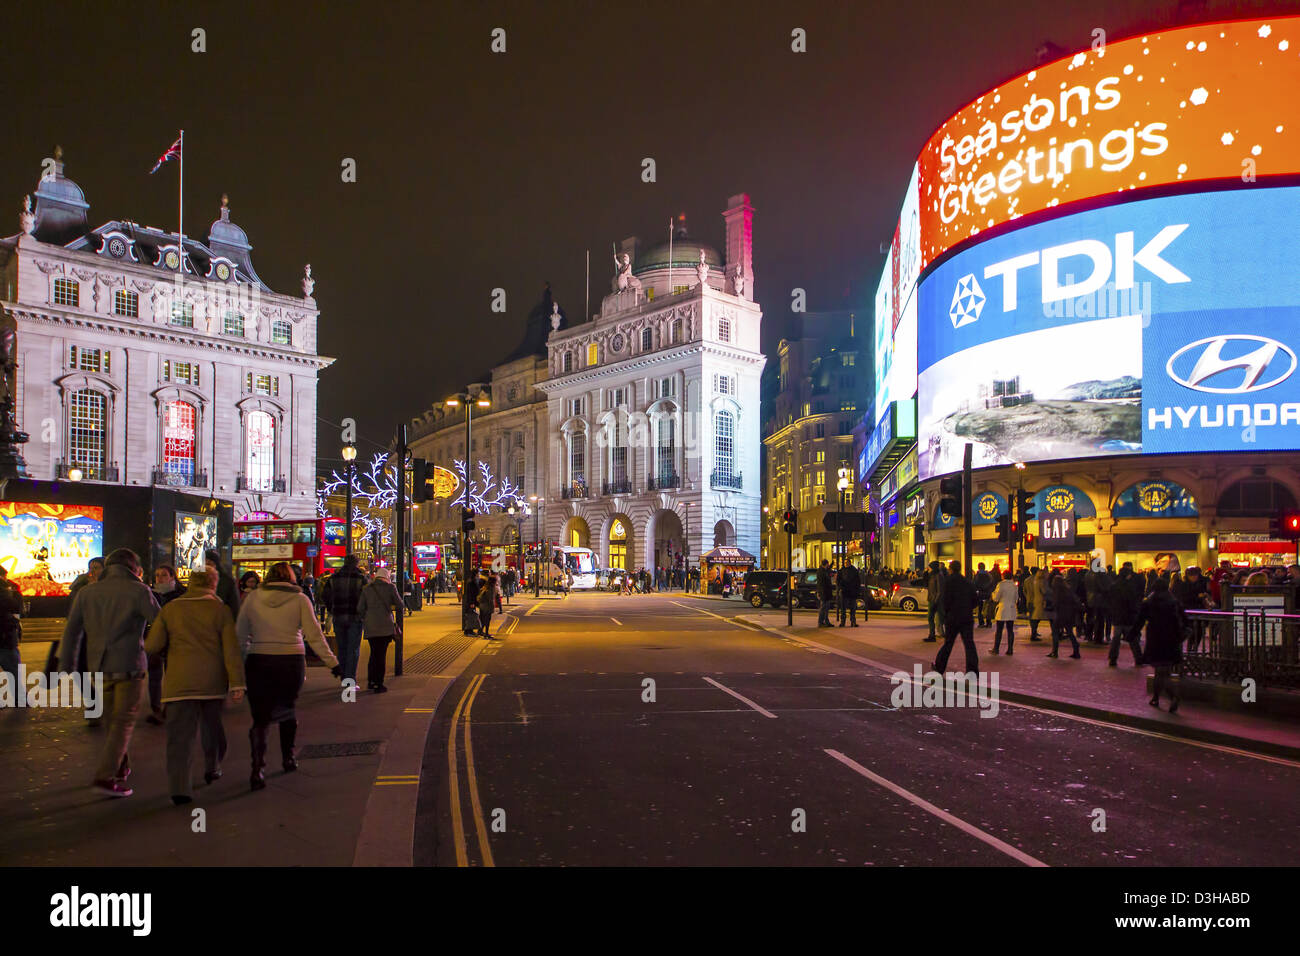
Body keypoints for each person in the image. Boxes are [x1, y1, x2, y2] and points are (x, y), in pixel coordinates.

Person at [58, 548, 161, 798]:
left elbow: (72, 631)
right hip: (130, 665)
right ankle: (104, 777)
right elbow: (160, 621)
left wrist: (67, 666)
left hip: (99, 667)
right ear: (133, 568)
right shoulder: (139, 591)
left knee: (110, 719)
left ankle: (120, 765)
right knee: (123, 721)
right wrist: (154, 649)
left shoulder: (87, 592)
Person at [143, 569, 244, 805]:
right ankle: (213, 765)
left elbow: (153, 645)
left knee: (179, 737)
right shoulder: (220, 610)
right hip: (212, 682)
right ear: (214, 583)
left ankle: (180, 787)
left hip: (179, 681)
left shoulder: (171, 609)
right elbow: (231, 649)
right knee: (213, 728)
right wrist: (237, 682)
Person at [236, 561, 339, 790]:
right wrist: (333, 663)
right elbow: (314, 636)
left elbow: (240, 636)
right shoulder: (300, 599)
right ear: (292, 577)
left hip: (259, 660)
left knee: (260, 718)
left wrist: (237, 669)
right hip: (290, 660)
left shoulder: (252, 598)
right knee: (288, 709)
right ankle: (288, 757)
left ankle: (257, 769)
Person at [1128, 575, 1185, 712]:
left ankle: (1171, 696)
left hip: (1156, 638)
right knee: (1165, 670)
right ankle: (1156, 697)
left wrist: (1131, 635)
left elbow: (1140, 620)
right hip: (1172, 638)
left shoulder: (1149, 602)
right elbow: (1184, 619)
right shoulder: (1174, 601)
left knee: (1161, 671)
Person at [45, 556, 104, 675]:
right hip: (84, 632)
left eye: (96, 568)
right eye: (90, 568)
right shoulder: (81, 589)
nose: (92, 571)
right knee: (81, 671)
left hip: (97, 635)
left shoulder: (106, 588)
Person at [146, 564, 186, 726]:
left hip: (175, 640)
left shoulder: (181, 595)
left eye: (163, 575)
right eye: (157, 575)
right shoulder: (151, 594)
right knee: (154, 675)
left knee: (172, 676)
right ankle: (156, 709)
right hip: (156, 639)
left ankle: (168, 709)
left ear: (172, 577)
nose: (160, 578)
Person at [322, 554, 367, 683]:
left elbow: (325, 596)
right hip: (355, 617)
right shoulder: (361, 578)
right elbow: (366, 598)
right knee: (353, 649)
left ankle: (343, 676)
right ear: (356, 564)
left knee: (341, 648)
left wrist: (332, 609)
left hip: (338, 616)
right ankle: (350, 678)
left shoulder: (333, 578)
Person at [357, 568, 403, 692]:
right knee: (381, 655)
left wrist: (366, 618)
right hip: (385, 626)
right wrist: (390, 606)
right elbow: (400, 605)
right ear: (387, 576)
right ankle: (379, 683)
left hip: (370, 626)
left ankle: (371, 681)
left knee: (373, 654)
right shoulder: (390, 588)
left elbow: (360, 608)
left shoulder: (367, 589)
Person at [934, 560, 979, 675]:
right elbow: (975, 600)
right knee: (969, 644)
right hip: (966, 617)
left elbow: (945, 600)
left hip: (953, 617)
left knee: (948, 643)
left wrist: (947, 613)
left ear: (950, 569)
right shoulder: (967, 582)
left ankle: (939, 667)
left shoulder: (948, 582)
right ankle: (972, 670)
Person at [1108, 563, 1145, 667]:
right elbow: (1133, 602)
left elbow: (1110, 601)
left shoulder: (1114, 586)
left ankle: (1113, 659)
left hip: (1117, 616)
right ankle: (1138, 659)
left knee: (1116, 639)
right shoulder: (1130, 587)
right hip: (1128, 616)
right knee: (1132, 639)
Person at [1047, 571, 1081, 659]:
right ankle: (1076, 649)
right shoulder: (1068, 590)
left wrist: (1050, 607)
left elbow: (1056, 603)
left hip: (1060, 615)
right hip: (1069, 615)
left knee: (1055, 632)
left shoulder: (1058, 592)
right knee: (1070, 633)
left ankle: (1055, 651)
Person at [0, 566, 22, 688]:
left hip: (5, 637)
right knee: (14, 673)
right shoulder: (5, 593)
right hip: (5, 639)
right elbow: (15, 608)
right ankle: (21, 699)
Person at [205, 550, 241, 621]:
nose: (207, 568)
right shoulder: (197, 581)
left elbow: (234, 607)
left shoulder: (226, 582)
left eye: (209, 564)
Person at [990, 569, 1019, 655]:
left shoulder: (1001, 585)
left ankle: (996, 648)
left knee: (999, 629)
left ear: (1003, 576)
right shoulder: (1014, 586)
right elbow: (1016, 598)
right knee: (1010, 630)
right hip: (1011, 608)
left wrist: (993, 594)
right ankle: (1010, 649)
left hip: (1003, 608)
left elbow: (996, 598)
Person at [924, 561, 946, 642]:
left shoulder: (938, 576)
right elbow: (926, 584)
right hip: (932, 599)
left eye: (929, 567)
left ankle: (940, 634)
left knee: (940, 618)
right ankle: (932, 635)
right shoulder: (932, 575)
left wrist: (935, 600)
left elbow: (940, 590)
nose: (928, 569)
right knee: (931, 618)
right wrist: (925, 574)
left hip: (936, 601)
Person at [837, 562, 862, 627]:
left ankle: (851, 621)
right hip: (846, 591)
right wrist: (841, 587)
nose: (846, 564)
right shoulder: (843, 570)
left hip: (850, 591)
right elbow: (838, 581)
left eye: (846, 563)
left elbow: (858, 581)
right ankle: (846, 622)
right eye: (845, 563)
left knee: (851, 608)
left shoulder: (852, 570)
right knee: (844, 608)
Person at [478, 572, 499, 639]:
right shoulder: (491, 588)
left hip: (482, 606)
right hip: (487, 606)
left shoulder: (486, 587)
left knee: (483, 619)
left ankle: (481, 631)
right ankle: (486, 633)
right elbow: (490, 599)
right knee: (487, 620)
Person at [972, 563, 992, 629]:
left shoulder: (977, 575)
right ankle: (988, 622)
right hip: (987, 593)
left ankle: (981, 623)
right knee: (987, 609)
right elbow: (991, 583)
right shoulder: (989, 575)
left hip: (980, 594)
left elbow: (974, 584)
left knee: (980, 609)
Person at [463, 569, 483, 635]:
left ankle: (470, 630)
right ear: (475, 574)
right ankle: (467, 631)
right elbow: (470, 593)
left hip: (473, 601)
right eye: (478, 573)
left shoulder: (474, 581)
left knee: (471, 616)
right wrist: (471, 602)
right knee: (470, 617)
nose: (479, 574)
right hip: (471, 602)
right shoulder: (471, 582)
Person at [816, 560, 834, 627]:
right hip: (824, 592)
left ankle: (826, 621)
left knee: (826, 608)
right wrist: (821, 593)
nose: (828, 566)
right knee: (823, 608)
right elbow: (821, 584)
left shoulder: (824, 571)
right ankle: (821, 622)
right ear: (826, 564)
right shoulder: (821, 572)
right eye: (828, 564)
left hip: (826, 592)